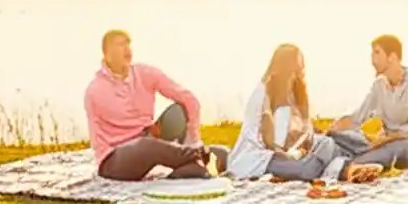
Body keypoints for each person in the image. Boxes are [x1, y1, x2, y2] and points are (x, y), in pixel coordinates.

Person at [83, 29, 227, 181]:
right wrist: (144, 129)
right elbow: (121, 123)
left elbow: (189, 99)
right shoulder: (95, 90)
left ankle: (190, 165)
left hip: (147, 142)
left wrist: (194, 139)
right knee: (147, 146)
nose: (127, 49)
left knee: (179, 112)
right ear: (106, 53)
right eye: (120, 45)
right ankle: (199, 156)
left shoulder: (145, 73)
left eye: (128, 44)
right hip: (114, 161)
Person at [227, 44, 383, 183]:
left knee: (327, 143)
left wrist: (303, 145)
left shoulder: (294, 92)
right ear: (286, 64)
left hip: (290, 152)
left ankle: (345, 165)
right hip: (261, 156)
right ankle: (344, 167)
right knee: (307, 169)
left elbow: (302, 132)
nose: (302, 67)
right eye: (298, 62)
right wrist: (284, 153)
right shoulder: (264, 92)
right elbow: (269, 138)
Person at [327, 34, 408, 179]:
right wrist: (334, 128)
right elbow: (359, 117)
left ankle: (346, 167)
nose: (372, 59)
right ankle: (338, 159)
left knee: (396, 148)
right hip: (384, 143)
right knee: (338, 137)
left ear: (392, 57)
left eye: (377, 53)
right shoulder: (379, 85)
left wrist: (387, 139)